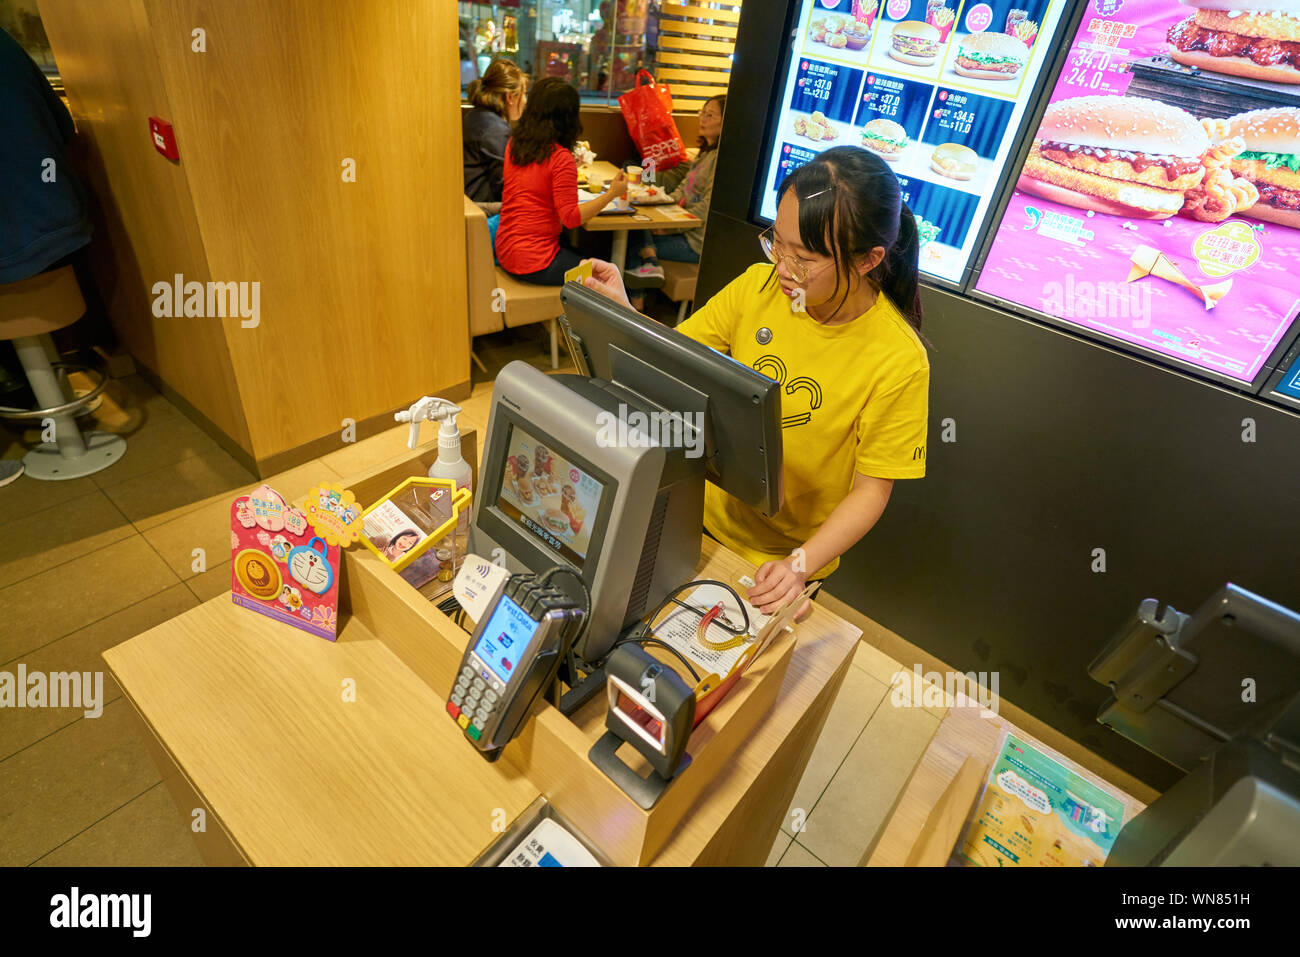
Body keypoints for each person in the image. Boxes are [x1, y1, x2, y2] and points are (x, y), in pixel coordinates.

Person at [581, 146, 929, 615]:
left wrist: (799, 565)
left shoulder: (899, 360)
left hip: (781, 559)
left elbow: (871, 491)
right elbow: (677, 358)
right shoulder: (756, 287)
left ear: (868, 260)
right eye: (776, 243)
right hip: (698, 509)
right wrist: (624, 308)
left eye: (803, 258)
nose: (782, 268)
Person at [1, 27, 95, 489]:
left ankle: (37, 399)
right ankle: (52, 396)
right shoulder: (4, 42)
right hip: (60, 221)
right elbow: (61, 123)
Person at [495, 77, 627, 285]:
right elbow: (571, 218)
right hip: (535, 261)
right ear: (568, 117)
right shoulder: (559, 157)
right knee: (607, 280)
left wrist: (568, 168)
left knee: (583, 256)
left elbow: (535, 184)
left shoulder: (516, 145)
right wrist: (611, 193)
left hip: (505, 250)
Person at [625, 94, 725, 290]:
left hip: (695, 242)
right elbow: (682, 189)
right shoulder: (705, 153)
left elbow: (707, 208)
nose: (702, 119)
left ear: (726, 121)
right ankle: (650, 263)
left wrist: (669, 227)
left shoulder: (721, 160)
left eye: (710, 115)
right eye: (702, 113)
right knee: (634, 226)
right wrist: (663, 203)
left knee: (632, 243)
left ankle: (636, 308)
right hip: (680, 228)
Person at [462, 58, 528, 207]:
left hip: (471, 203)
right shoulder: (495, 129)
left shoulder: (476, 116)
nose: (525, 101)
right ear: (510, 97)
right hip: (482, 209)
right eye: (523, 94)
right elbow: (506, 185)